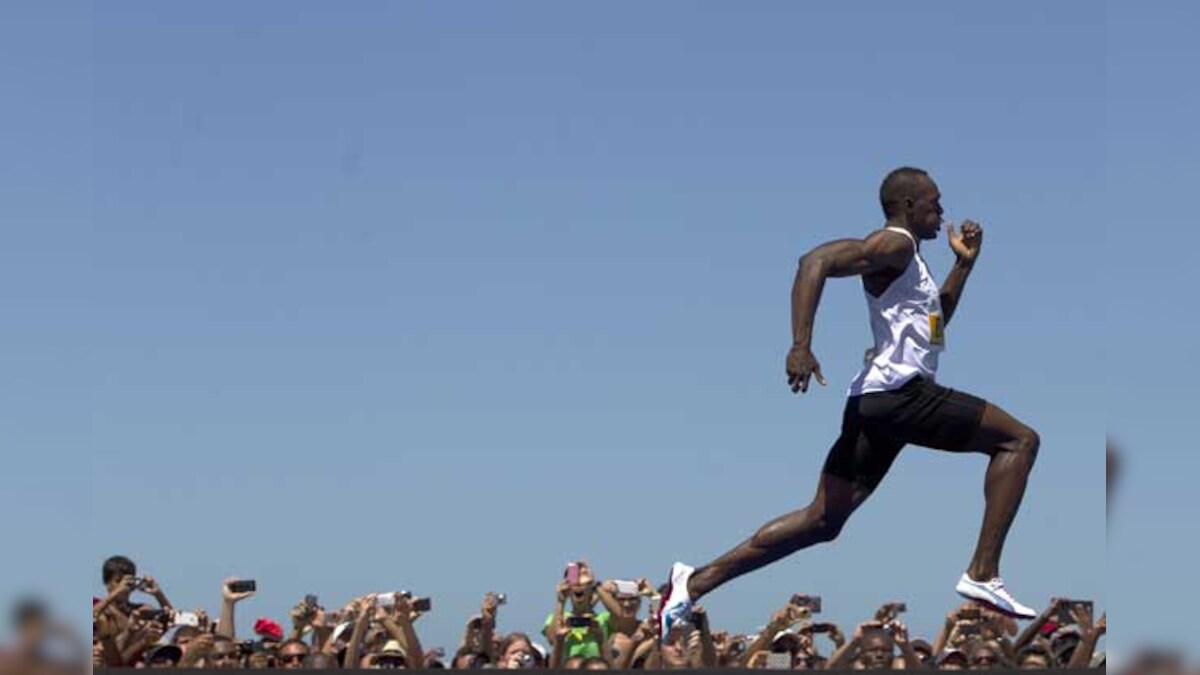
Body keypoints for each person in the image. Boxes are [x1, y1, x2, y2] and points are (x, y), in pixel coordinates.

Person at [659, 167, 1042, 641]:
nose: (942, 212)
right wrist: (800, 344)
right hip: (901, 396)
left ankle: (693, 583)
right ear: (907, 206)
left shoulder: (912, 262)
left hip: (877, 404)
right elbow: (813, 261)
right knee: (1019, 441)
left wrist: (964, 264)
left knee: (823, 519)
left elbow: (936, 323)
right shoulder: (894, 243)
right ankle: (983, 572)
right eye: (934, 203)